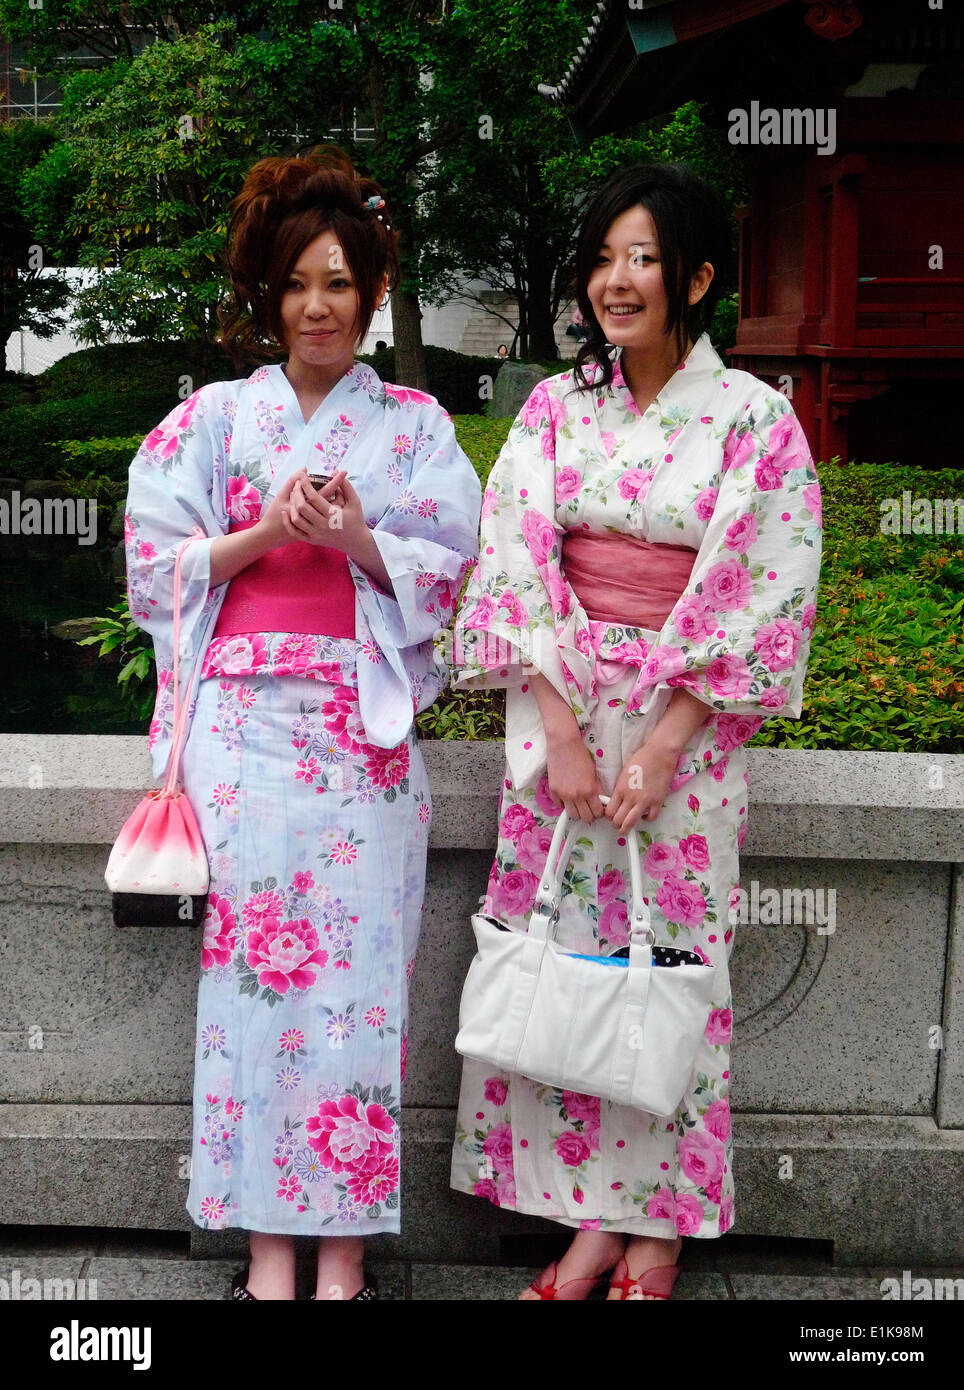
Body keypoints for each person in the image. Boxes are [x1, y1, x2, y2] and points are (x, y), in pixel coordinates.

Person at [448, 162, 822, 1300]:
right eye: (604, 258)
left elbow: (764, 587)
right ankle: (595, 1223)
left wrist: (662, 743)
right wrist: (559, 727)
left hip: (685, 730)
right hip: (558, 712)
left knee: (668, 968)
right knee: (565, 961)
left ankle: (648, 1230)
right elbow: (514, 556)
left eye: (644, 259)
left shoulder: (756, 420)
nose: (618, 280)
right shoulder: (557, 409)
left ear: (696, 278)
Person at [124, 145, 481, 1300]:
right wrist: (265, 534)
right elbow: (157, 567)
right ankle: (267, 1257)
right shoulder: (215, 418)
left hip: (361, 740)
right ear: (264, 296)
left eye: (337, 281)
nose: (316, 305)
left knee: (357, 993)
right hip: (240, 742)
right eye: (294, 284)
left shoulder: (418, 426)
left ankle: (343, 1262)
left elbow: (453, 572)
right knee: (251, 990)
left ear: (370, 293)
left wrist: (353, 541)